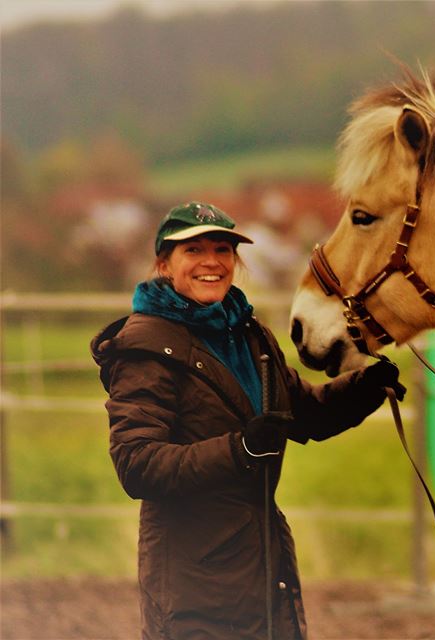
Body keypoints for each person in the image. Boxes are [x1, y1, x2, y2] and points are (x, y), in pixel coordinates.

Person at [91, 201, 404, 639]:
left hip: (264, 567)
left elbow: (303, 413)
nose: (211, 262)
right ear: (164, 262)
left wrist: (366, 388)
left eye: (222, 249)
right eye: (193, 251)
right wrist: (239, 450)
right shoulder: (146, 348)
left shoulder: (250, 335)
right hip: (191, 587)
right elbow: (138, 464)